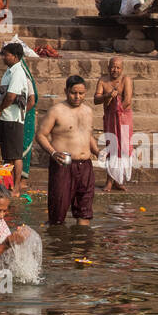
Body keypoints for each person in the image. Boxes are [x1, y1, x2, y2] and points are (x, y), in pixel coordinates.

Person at [37, 75, 100, 226]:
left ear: (85, 93)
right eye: (73, 93)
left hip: (85, 166)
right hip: (63, 165)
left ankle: (82, 239)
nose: (77, 97)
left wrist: (98, 152)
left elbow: (88, 135)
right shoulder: (56, 111)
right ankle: (58, 240)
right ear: (66, 91)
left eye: (81, 93)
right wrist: (53, 152)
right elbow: (40, 135)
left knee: (85, 211)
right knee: (58, 212)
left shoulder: (88, 111)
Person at [0, 42, 36, 190]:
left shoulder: (18, 72)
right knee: (7, 156)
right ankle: (9, 185)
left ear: (16, 57)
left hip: (13, 119)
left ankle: (16, 188)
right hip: (6, 118)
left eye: (6, 55)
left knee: (16, 156)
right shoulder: (9, 71)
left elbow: (11, 96)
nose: (4, 57)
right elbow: (2, 93)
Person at [94, 56, 133, 191]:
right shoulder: (103, 81)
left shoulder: (126, 80)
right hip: (110, 117)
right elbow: (96, 99)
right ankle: (109, 180)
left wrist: (118, 111)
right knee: (112, 147)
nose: (115, 70)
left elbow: (128, 100)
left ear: (122, 69)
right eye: (112, 67)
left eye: (118, 67)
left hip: (124, 117)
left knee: (123, 148)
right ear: (108, 67)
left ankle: (118, 180)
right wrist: (108, 95)